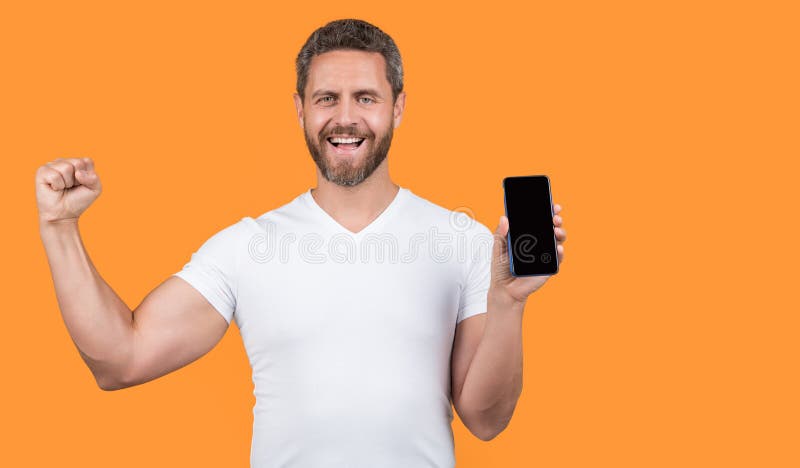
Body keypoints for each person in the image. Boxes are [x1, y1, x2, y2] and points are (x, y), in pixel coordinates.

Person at [35, 18, 567, 468]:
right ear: (299, 109)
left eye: (366, 97)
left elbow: (487, 420)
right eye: (326, 99)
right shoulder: (246, 247)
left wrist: (507, 303)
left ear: (398, 107)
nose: (345, 118)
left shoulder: (465, 242)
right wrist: (60, 229)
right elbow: (120, 361)